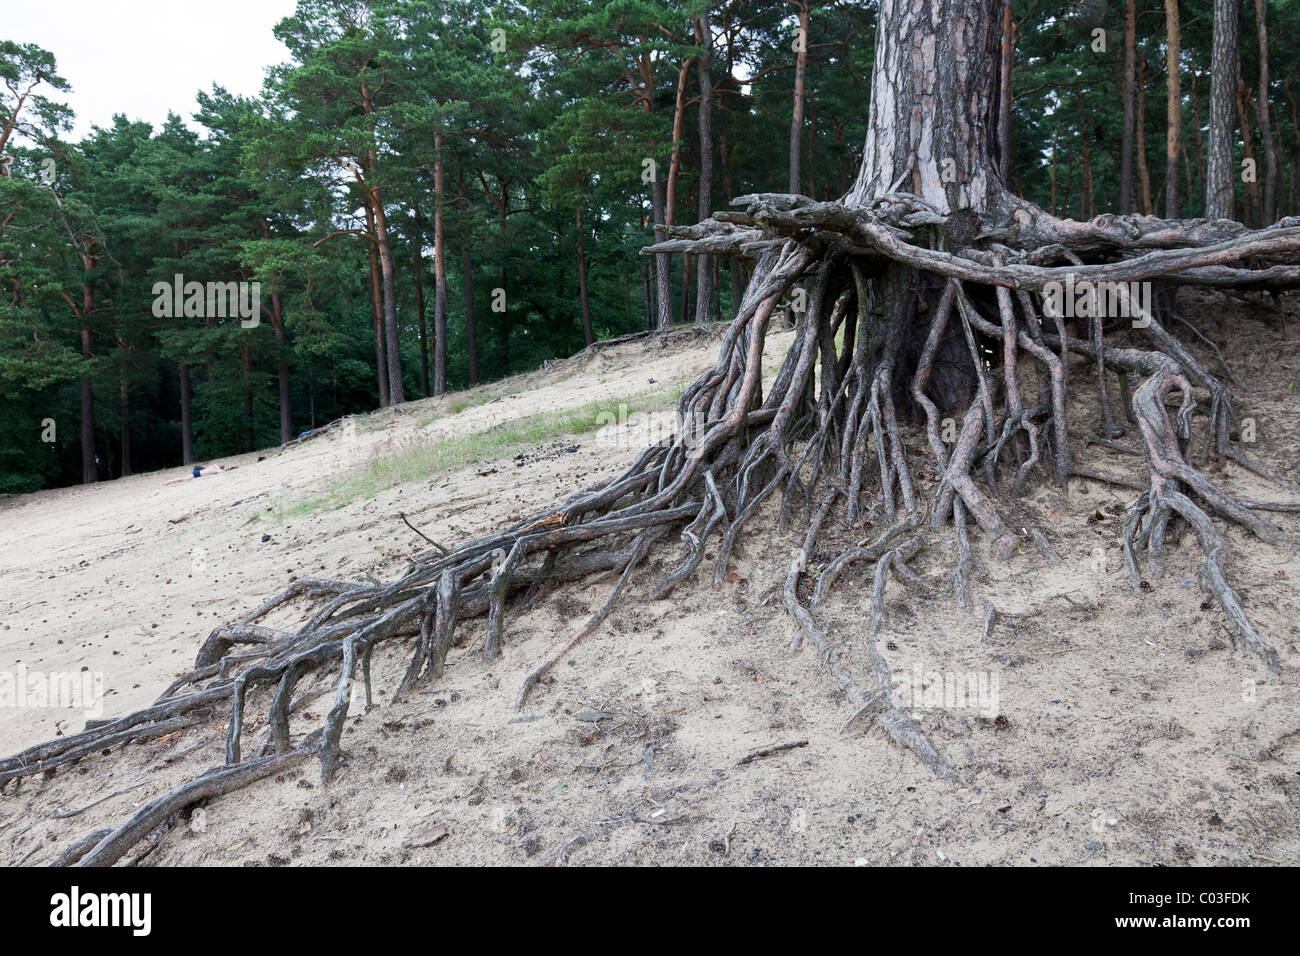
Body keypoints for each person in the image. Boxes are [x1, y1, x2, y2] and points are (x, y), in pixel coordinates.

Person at [165, 463, 238, 485]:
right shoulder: (217, 469)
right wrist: (225, 469)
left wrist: (229, 469)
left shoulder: (217, 469)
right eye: (228, 467)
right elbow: (219, 469)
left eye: (229, 468)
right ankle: (168, 482)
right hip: (198, 473)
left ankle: (169, 482)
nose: (227, 468)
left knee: (184, 479)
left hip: (199, 472)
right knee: (183, 479)